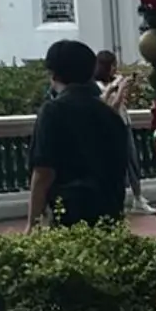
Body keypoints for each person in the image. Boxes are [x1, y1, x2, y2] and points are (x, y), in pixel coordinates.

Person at [27, 39, 128, 228]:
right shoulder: (109, 115)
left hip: (69, 214)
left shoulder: (53, 111)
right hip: (109, 213)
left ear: (54, 74)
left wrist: (32, 224)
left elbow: (43, 172)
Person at [94, 49, 153, 213]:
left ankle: (138, 197)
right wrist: (118, 89)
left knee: (133, 161)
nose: (115, 69)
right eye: (112, 65)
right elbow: (111, 108)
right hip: (111, 129)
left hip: (124, 123)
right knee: (116, 166)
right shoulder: (98, 87)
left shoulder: (112, 83)